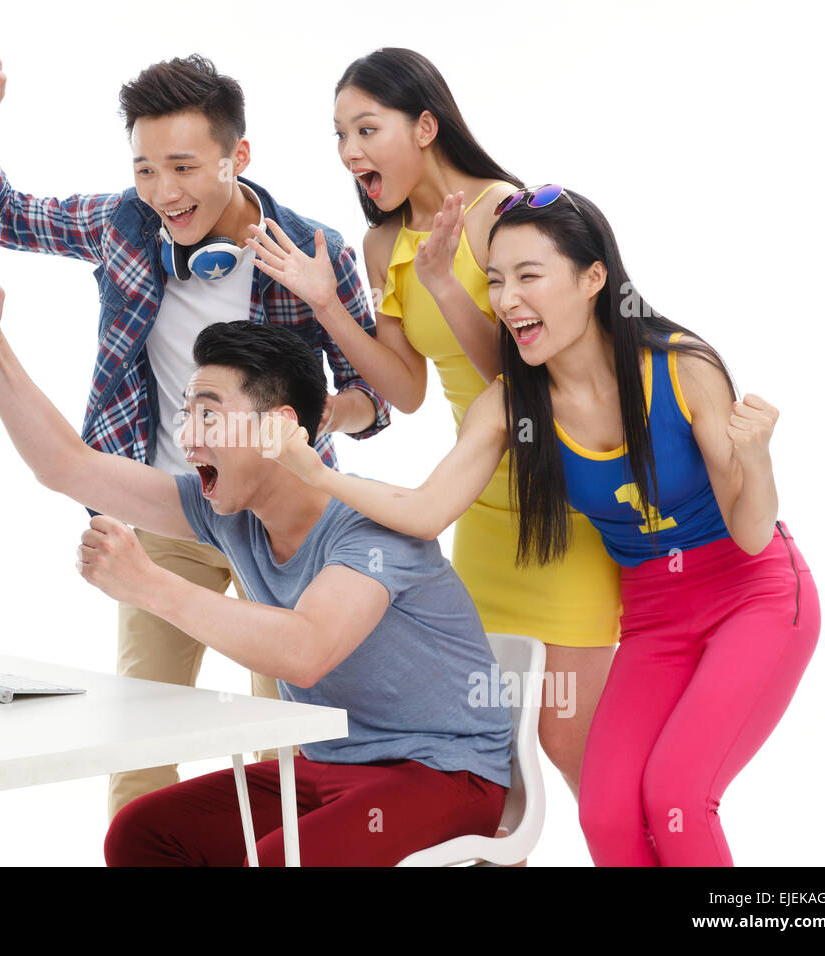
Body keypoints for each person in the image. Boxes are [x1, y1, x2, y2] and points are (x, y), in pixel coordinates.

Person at [266, 185, 819, 866]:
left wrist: (756, 462)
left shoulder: (681, 368)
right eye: (496, 280)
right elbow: (427, 510)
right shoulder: (512, 402)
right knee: (611, 815)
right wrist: (320, 477)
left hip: (754, 595)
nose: (507, 299)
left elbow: (753, 533)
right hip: (654, 613)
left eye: (529, 276)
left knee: (676, 797)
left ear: (593, 279)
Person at [0, 263, 511, 867]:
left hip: (444, 771)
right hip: (327, 765)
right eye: (188, 414)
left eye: (208, 414)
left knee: (281, 860)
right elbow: (66, 466)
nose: (188, 438)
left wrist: (151, 584)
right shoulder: (227, 511)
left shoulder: (369, 529)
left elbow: (306, 652)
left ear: (278, 429)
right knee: (143, 833)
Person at [0, 54, 390, 818]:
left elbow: (378, 390)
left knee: (282, 743)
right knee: (140, 735)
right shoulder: (125, 223)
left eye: (184, 167)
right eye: (147, 169)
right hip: (168, 508)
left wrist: (325, 419)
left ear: (237, 157)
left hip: (285, 526)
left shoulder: (313, 251)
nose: (164, 192)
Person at [244, 48, 619, 803]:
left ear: (424, 125)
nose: (351, 153)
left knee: (568, 741)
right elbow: (405, 388)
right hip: (474, 506)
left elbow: (526, 380)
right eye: (340, 136)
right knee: (491, 743)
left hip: (560, 502)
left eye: (366, 129)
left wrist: (448, 284)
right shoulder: (384, 243)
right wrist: (326, 305)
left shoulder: (504, 213)